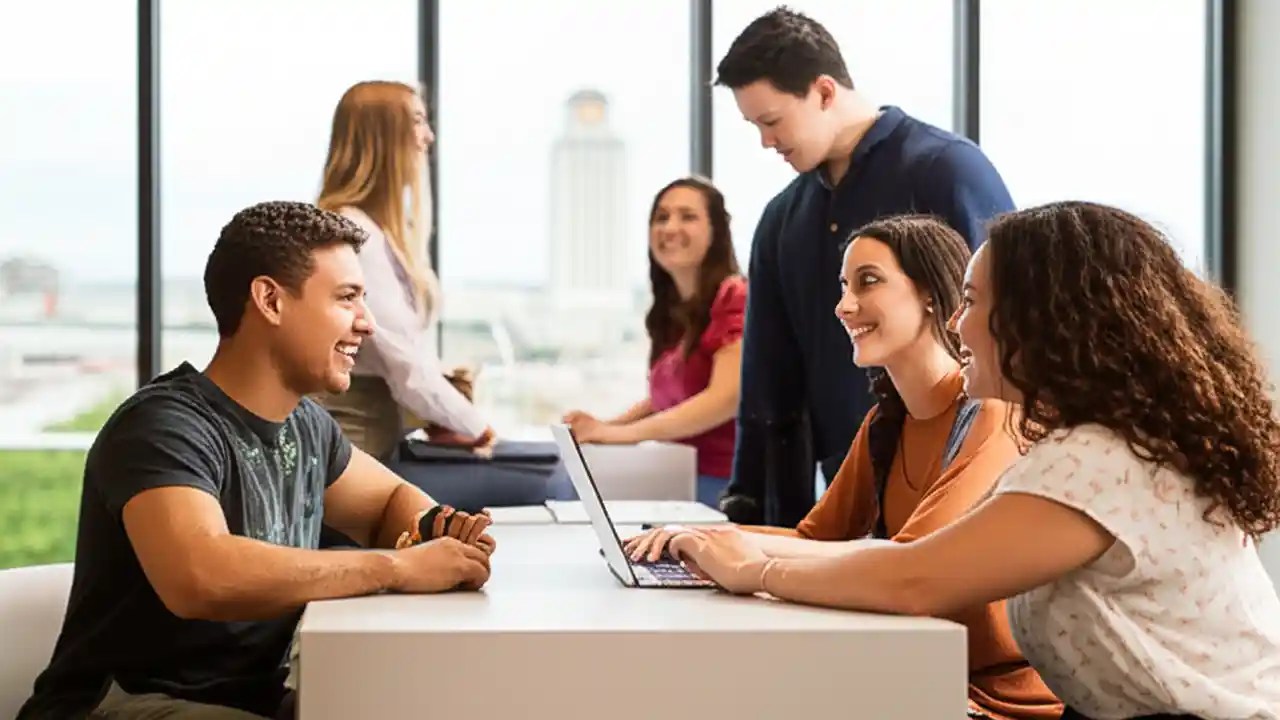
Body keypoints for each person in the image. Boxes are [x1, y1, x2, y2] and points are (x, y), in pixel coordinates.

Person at [667, 202, 1280, 719]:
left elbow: (915, 578)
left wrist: (756, 571)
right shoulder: (1111, 444)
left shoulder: (1096, 460)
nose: (959, 326)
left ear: (1044, 321)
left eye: (970, 302)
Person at [17, 201, 498, 720]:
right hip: (124, 706)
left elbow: (387, 502)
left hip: (246, 704)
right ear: (270, 300)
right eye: (347, 298)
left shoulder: (307, 427)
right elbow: (203, 575)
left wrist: (434, 532)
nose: (368, 323)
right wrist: (397, 568)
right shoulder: (163, 427)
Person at [626, 215, 1059, 719]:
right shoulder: (885, 423)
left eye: (868, 282)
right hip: (913, 671)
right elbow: (814, 540)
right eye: (843, 286)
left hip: (989, 699)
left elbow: (908, 561)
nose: (844, 305)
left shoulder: (989, 412)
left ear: (929, 294)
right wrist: (693, 538)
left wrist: (749, 564)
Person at [714, 7, 1015, 526]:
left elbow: (1009, 320)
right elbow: (769, 381)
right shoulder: (781, 220)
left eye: (771, 121)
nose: (766, 142)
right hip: (849, 494)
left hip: (968, 476)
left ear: (824, 92)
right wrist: (748, 514)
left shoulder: (946, 169)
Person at [316, 80, 495, 463]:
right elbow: (403, 363)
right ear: (382, 138)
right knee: (546, 480)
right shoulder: (354, 233)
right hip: (356, 450)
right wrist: (478, 426)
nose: (428, 137)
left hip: (378, 440)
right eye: (416, 122)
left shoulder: (372, 231)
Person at [562, 177, 746, 507]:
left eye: (687, 216)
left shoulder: (734, 296)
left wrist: (618, 435)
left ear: (717, 230)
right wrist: (602, 426)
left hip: (723, 488)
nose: (670, 227)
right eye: (661, 217)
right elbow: (666, 400)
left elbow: (726, 397)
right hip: (680, 481)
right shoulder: (674, 312)